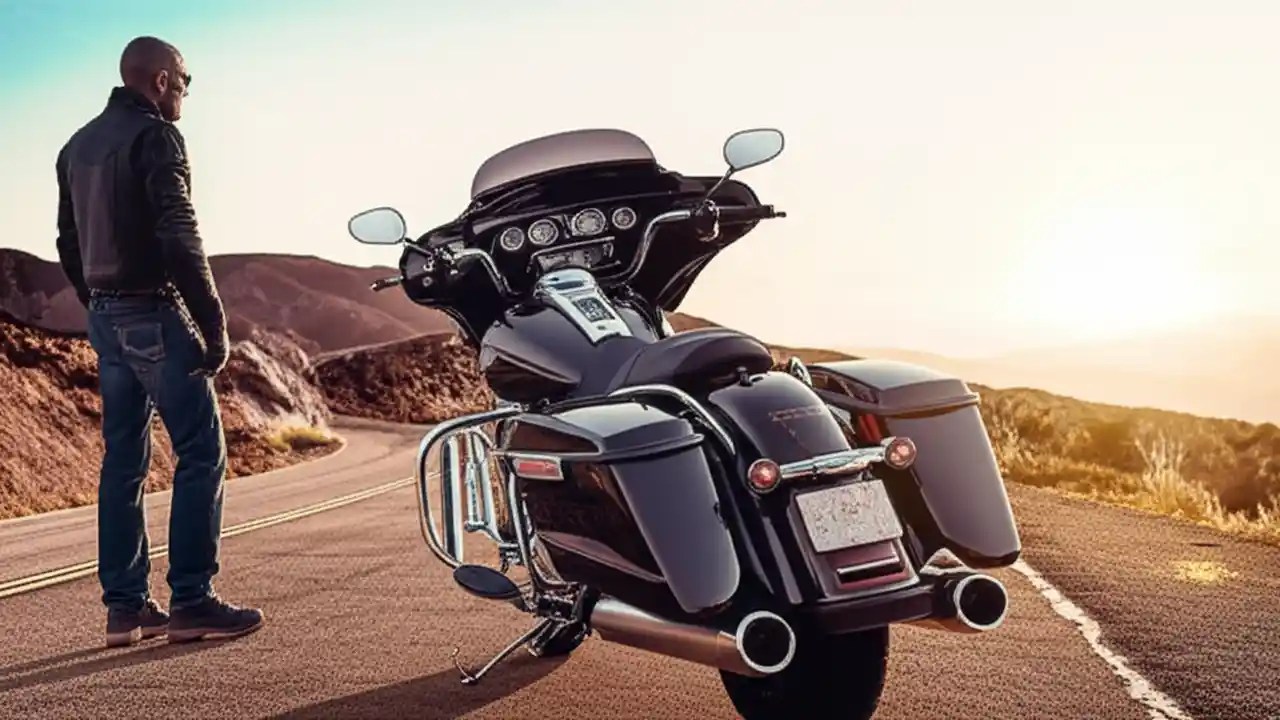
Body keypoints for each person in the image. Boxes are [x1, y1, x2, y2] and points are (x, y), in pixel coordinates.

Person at [55, 35, 264, 647]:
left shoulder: (76, 145)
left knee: (123, 462)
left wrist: (96, 304)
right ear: (162, 80)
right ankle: (193, 600)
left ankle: (125, 609)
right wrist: (214, 323)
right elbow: (180, 235)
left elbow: (68, 244)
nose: (187, 93)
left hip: (107, 320)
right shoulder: (158, 136)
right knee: (201, 450)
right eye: (186, 81)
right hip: (151, 308)